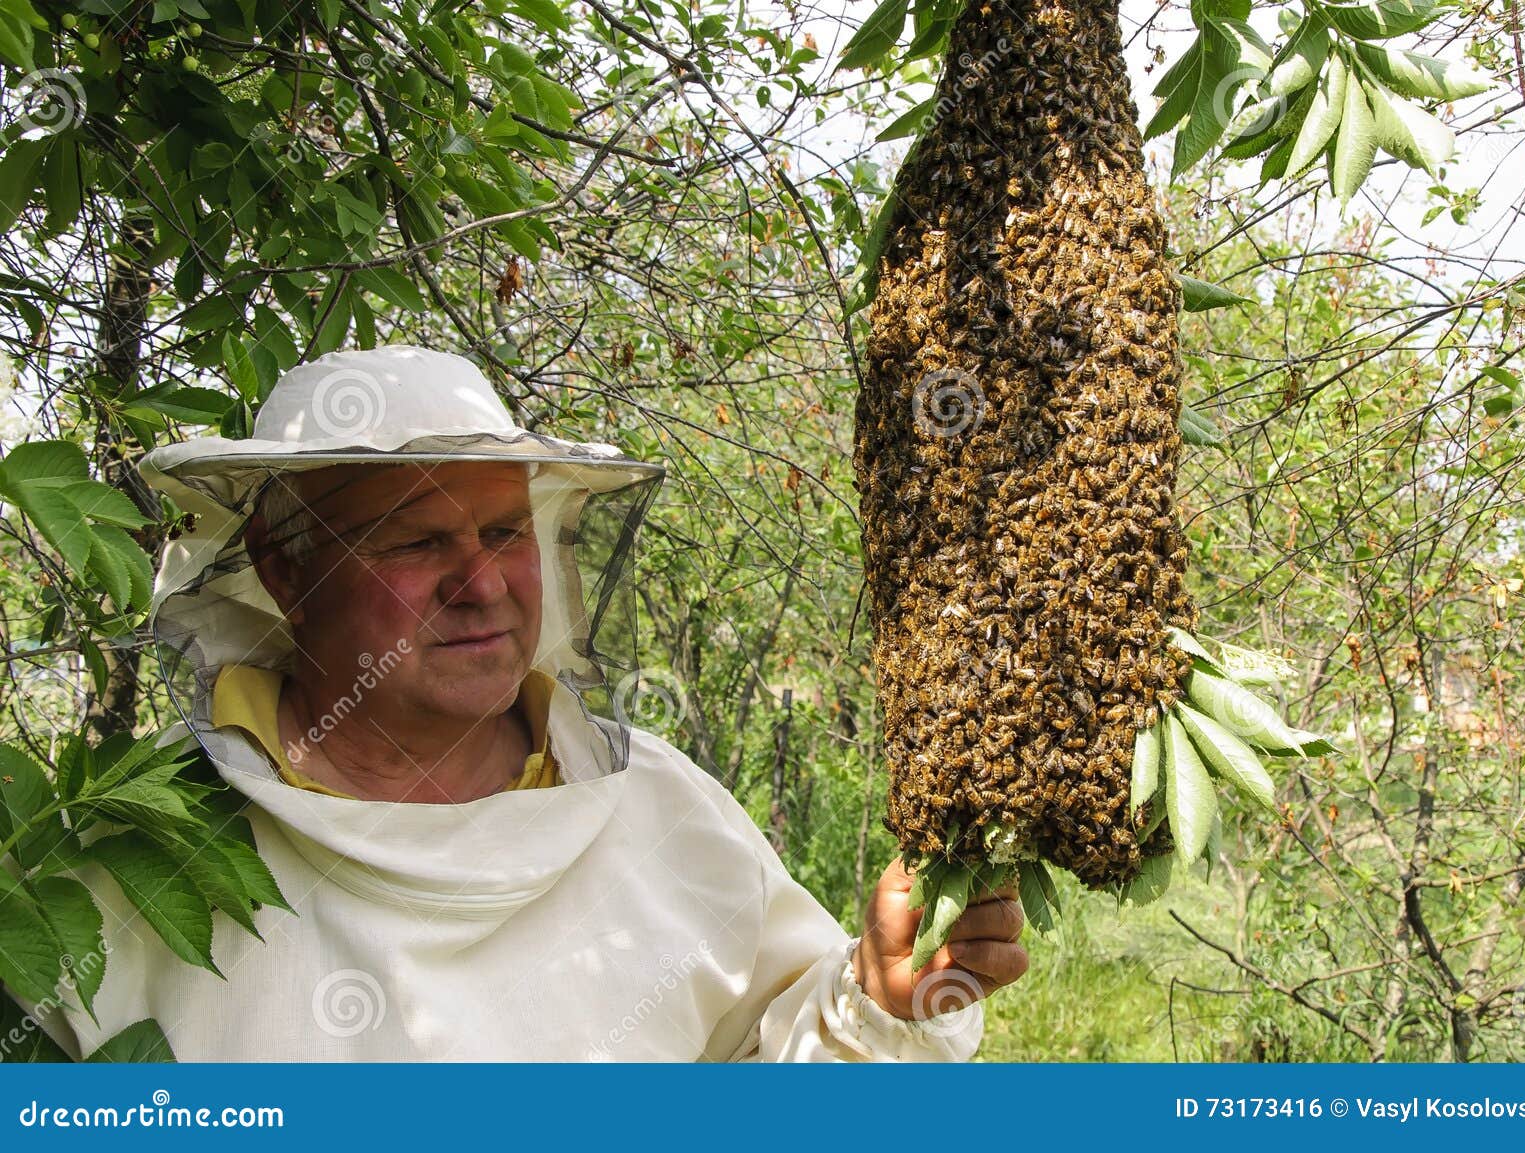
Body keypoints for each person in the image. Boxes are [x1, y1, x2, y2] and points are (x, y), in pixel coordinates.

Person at [16, 344, 1026, 1061]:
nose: (483, 583)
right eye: (417, 542)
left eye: (504, 533)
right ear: (286, 566)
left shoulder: (668, 812)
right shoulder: (131, 853)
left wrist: (886, 1002)